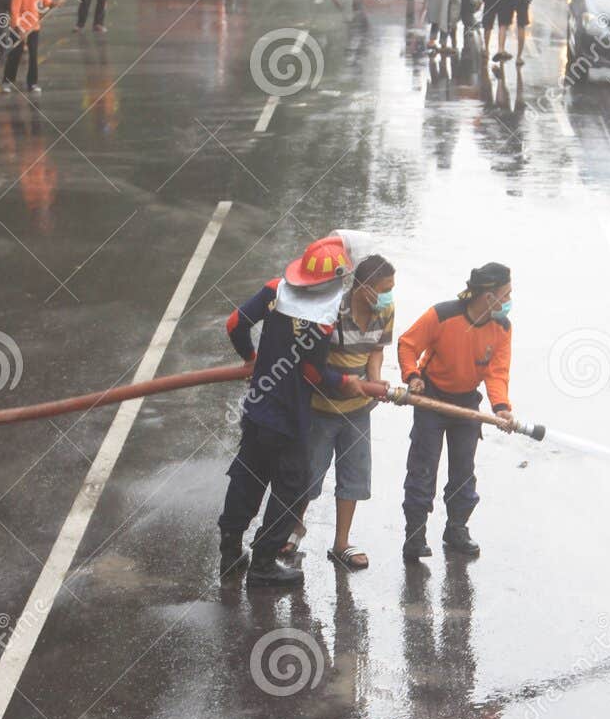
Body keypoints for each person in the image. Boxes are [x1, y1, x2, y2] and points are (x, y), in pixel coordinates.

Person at [218, 235, 389, 587]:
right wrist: (345, 380)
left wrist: (251, 360)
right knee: (292, 486)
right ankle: (263, 564)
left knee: (248, 479)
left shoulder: (274, 290)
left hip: (257, 407)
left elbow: (235, 324)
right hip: (291, 415)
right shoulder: (323, 316)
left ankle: (230, 552)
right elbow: (312, 372)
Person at [284, 254, 396, 572]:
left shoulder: (384, 310)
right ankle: (292, 531)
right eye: (385, 288)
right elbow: (310, 363)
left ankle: (341, 543)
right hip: (321, 408)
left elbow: (376, 351)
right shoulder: (332, 312)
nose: (389, 295)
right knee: (309, 476)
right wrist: (341, 383)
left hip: (359, 411)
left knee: (354, 477)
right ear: (363, 288)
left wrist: (374, 381)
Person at [398, 262, 513, 561]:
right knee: (423, 468)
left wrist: (501, 408)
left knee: (464, 471)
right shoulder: (441, 315)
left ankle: (456, 528)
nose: (509, 301)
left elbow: (497, 372)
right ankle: (415, 535)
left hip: (466, 405)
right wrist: (412, 376)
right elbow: (408, 345)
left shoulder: (501, 327)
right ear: (489, 296)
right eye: (506, 294)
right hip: (432, 400)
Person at [1, 0, 54, 96]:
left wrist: (51, 3)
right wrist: (17, 26)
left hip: (34, 26)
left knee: (33, 55)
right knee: (15, 54)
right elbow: (14, 8)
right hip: (19, 27)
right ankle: (7, 82)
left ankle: (33, 83)